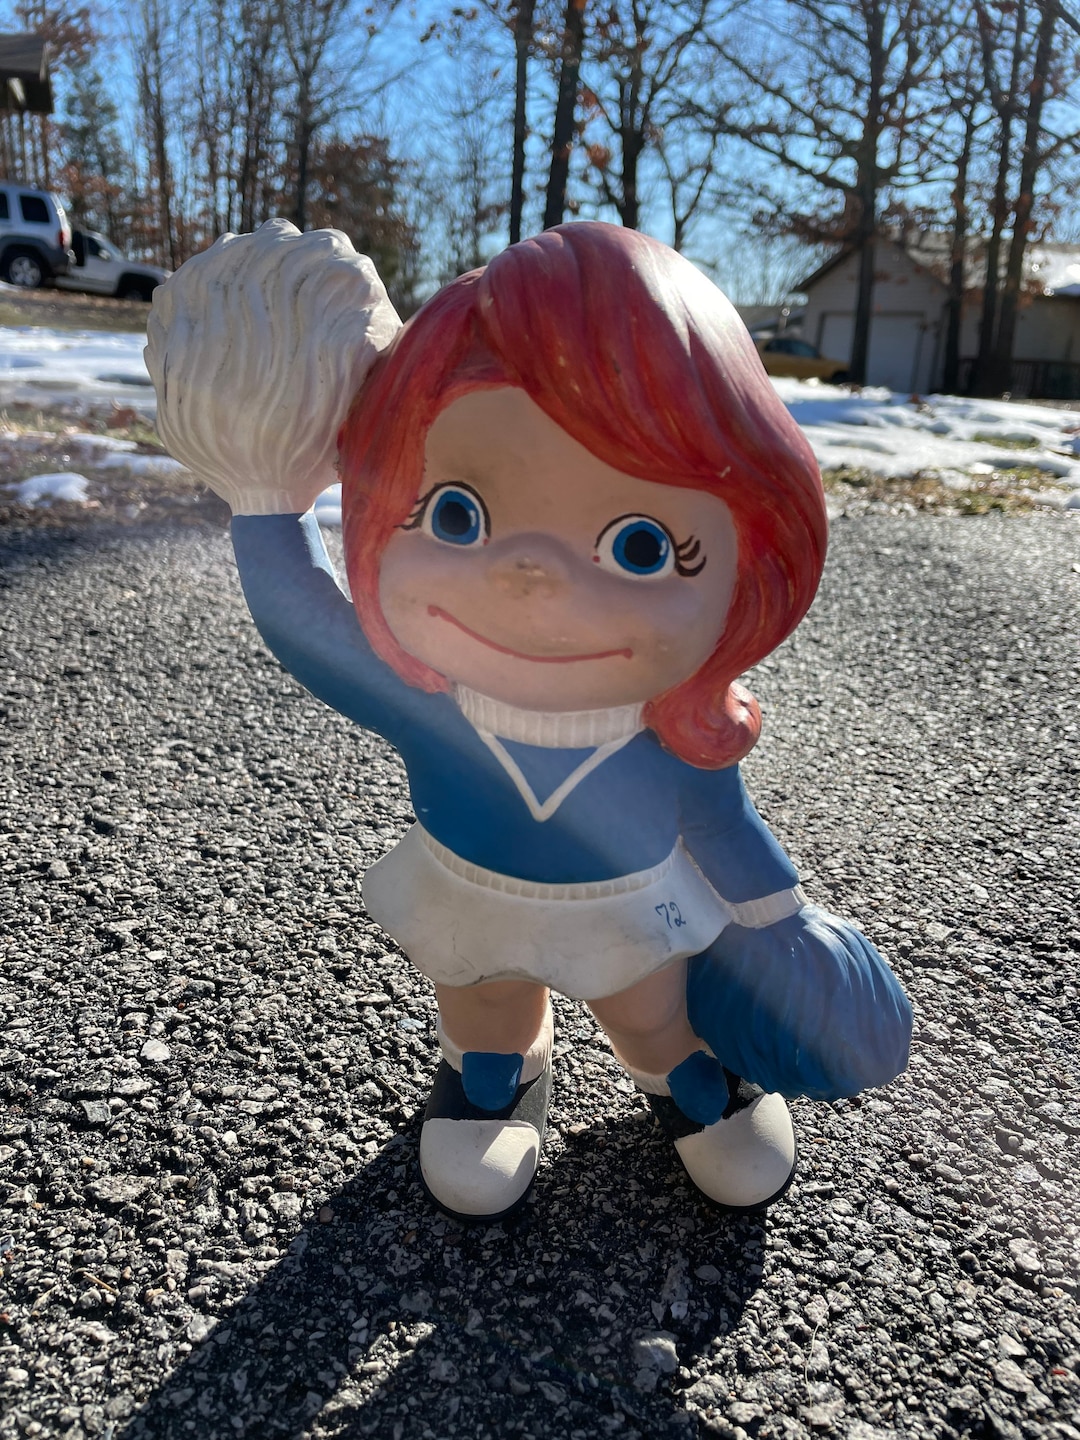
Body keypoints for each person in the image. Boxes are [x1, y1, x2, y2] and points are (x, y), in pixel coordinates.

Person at [146, 219, 912, 1224]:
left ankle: (678, 1069)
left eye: (643, 545)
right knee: (483, 988)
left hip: (631, 909)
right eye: (455, 515)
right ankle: (493, 1068)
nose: (533, 575)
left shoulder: (665, 729)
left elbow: (720, 825)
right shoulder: (430, 702)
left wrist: (781, 924)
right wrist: (263, 497)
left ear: (748, 566)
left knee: (648, 999)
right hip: (476, 897)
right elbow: (304, 626)